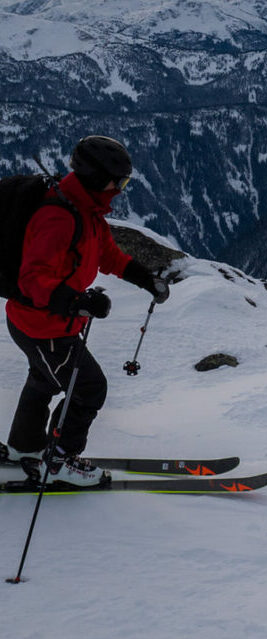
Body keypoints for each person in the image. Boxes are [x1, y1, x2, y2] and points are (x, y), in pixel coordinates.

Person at [4, 136, 169, 486]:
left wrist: (144, 278)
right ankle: (60, 461)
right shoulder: (59, 217)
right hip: (44, 326)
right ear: (97, 178)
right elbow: (33, 279)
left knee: (44, 379)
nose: (121, 189)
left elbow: (106, 254)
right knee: (89, 389)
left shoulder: (86, 211)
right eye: (118, 181)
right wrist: (77, 302)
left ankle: (25, 446)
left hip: (48, 323)